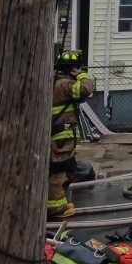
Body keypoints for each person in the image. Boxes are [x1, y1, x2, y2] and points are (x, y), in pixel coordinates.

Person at [48, 50, 95, 219]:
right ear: (71, 69)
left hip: (57, 135)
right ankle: (56, 208)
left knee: (55, 169)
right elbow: (86, 89)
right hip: (62, 137)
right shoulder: (64, 85)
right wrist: (82, 75)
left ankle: (55, 203)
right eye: (76, 68)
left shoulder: (54, 81)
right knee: (61, 170)